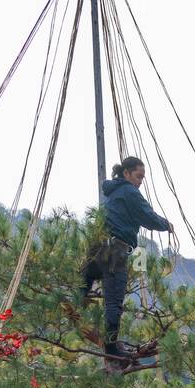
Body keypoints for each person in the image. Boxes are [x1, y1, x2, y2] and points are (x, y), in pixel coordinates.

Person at [82, 157, 172, 367]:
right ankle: (112, 350)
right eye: (138, 176)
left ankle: (77, 306)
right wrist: (167, 225)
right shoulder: (130, 192)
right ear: (126, 174)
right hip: (116, 250)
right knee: (114, 303)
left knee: (83, 286)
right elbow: (147, 216)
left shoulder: (111, 192)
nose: (140, 181)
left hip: (97, 249)